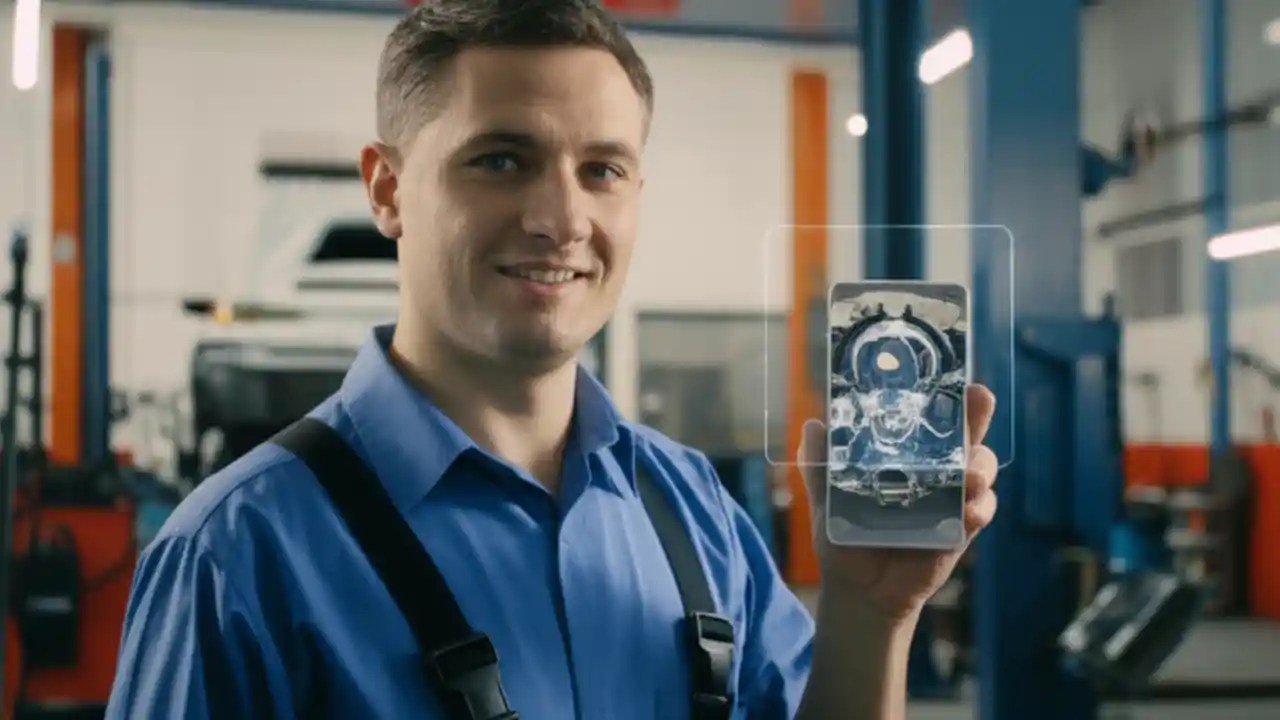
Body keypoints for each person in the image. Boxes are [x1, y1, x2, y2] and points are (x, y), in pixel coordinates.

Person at [105, 1, 999, 718]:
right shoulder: (238, 554)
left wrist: (871, 617)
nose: (562, 219)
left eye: (602, 170)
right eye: (501, 160)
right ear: (387, 189)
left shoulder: (696, 515)